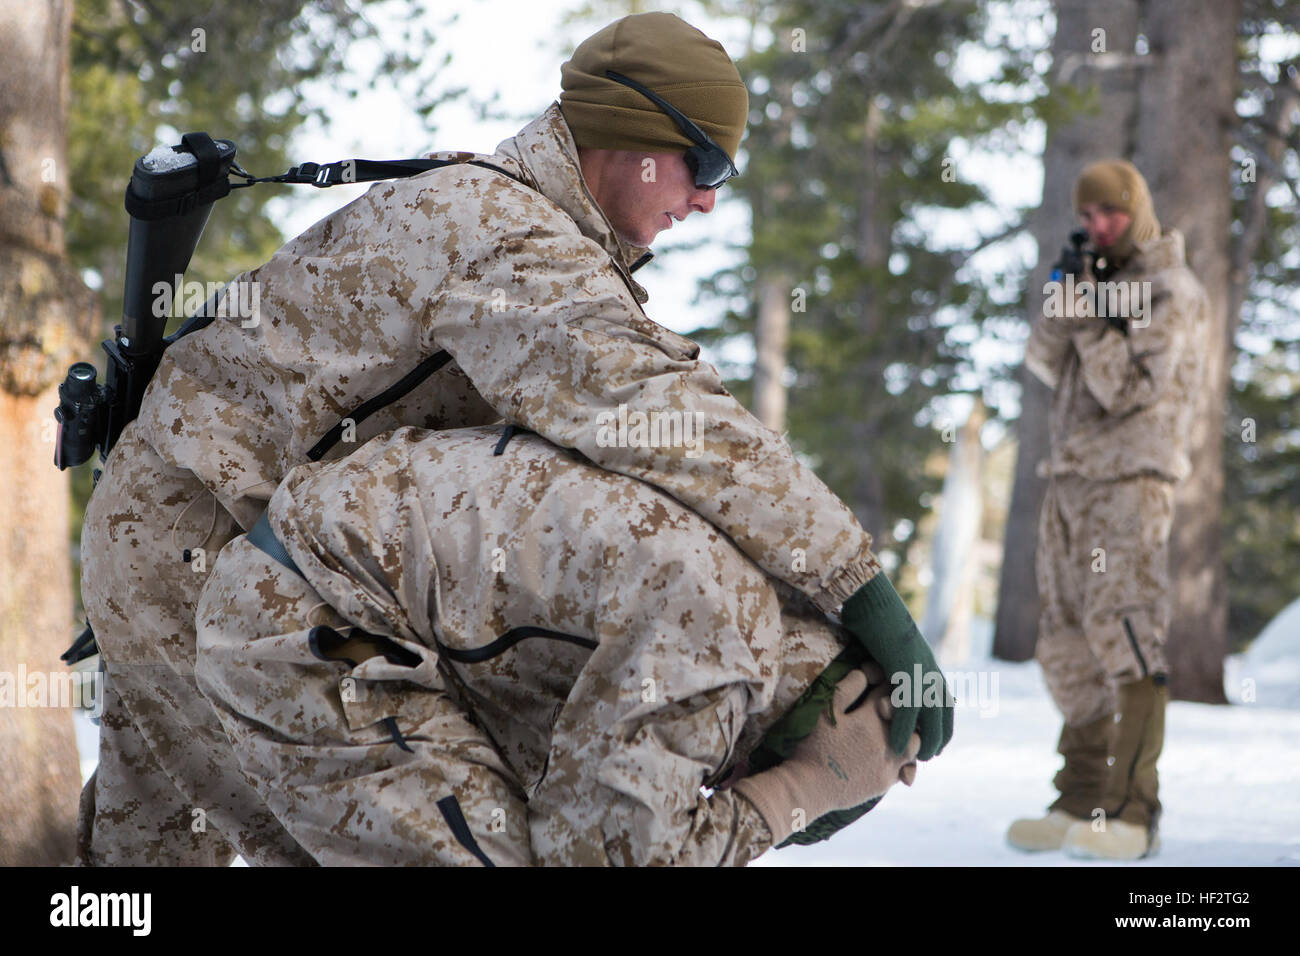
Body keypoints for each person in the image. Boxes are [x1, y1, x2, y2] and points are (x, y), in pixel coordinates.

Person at [77, 11, 952, 866]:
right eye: (706, 162)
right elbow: (668, 421)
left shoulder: (528, 230)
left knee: (149, 842)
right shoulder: (509, 241)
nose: (709, 198)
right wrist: (862, 591)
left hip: (248, 545)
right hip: (196, 551)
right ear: (634, 131)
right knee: (239, 837)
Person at [193, 425, 922, 865]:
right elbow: (600, 854)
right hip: (311, 619)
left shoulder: (755, 602)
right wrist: (797, 795)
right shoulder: (732, 647)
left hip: (334, 599)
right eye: (737, 784)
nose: (718, 794)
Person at [1007, 159, 1209, 860]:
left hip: (1131, 479)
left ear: (1138, 210)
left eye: (1111, 214)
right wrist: (1062, 302)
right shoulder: (1099, 283)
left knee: (1122, 628)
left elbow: (1127, 390)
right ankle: (1079, 798)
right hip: (1070, 480)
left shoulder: (1170, 290)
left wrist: (1090, 319)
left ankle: (1133, 811)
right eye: (1088, 215)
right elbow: (1040, 360)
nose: (1099, 226)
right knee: (1065, 638)